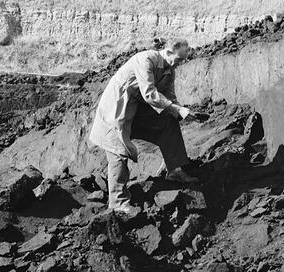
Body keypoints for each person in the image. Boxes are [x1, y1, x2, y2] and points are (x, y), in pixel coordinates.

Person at [87, 39, 203, 217]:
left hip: (137, 110)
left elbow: (169, 96)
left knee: (168, 120)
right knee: (118, 148)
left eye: (182, 61)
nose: (179, 64)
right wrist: (176, 109)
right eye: (178, 59)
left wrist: (182, 112)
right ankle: (117, 203)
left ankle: (175, 170)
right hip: (117, 106)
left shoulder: (169, 71)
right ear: (169, 52)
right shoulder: (146, 60)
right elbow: (149, 93)